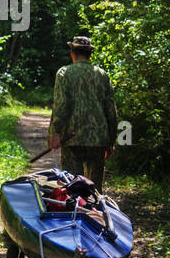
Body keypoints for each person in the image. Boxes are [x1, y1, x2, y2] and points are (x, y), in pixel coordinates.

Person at [47, 35, 118, 192]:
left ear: (72, 52)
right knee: (95, 189)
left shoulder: (64, 73)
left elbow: (61, 105)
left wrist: (55, 132)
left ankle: (76, 207)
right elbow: (111, 110)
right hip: (98, 140)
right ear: (90, 54)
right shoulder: (102, 75)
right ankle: (96, 208)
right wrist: (111, 141)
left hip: (72, 139)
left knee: (73, 186)